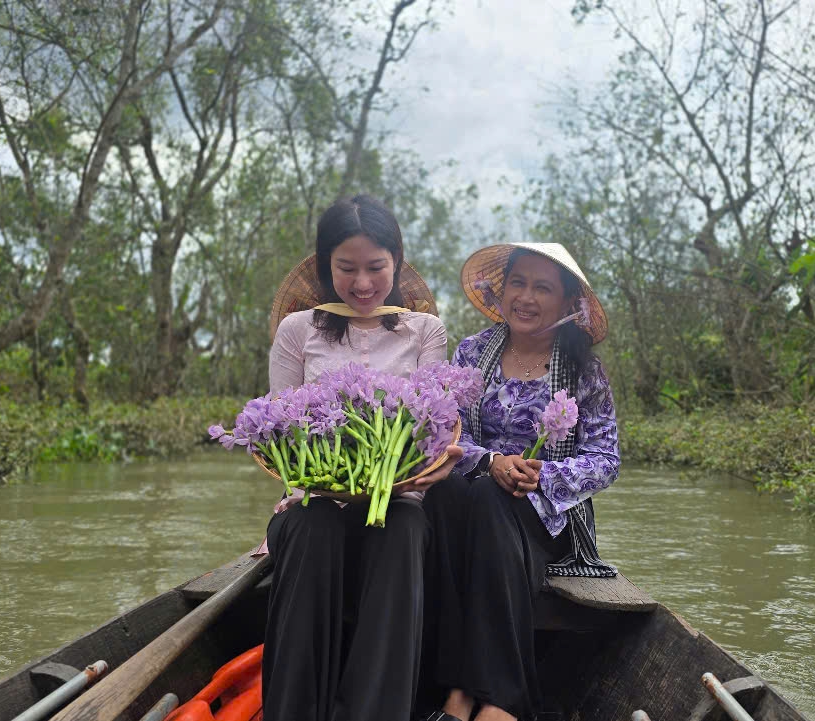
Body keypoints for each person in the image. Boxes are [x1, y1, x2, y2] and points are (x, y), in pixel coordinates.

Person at [259, 195, 461, 721]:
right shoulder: (297, 330)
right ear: (327, 266)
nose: (363, 283)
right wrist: (304, 481)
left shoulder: (425, 332)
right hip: (313, 496)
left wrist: (433, 464)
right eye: (346, 268)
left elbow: (432, 429)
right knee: (312, 524)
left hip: (396, 498)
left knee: (404, 529)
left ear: (396, 261)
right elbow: (277, 426)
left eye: (376, 267)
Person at [423, 243, 620, 721]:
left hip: (547, 519)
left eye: (543, 287)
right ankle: (469, 693)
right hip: (472, 500)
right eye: (518, 283)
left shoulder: (582, 370)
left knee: (490, 503)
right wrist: (491, 460)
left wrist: (541, 474)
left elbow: (605, 458)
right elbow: (444, 431)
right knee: (445, 494)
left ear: (566, 303)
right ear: (502, 289)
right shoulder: (471, 351)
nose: (526, 297)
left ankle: (488, 700)